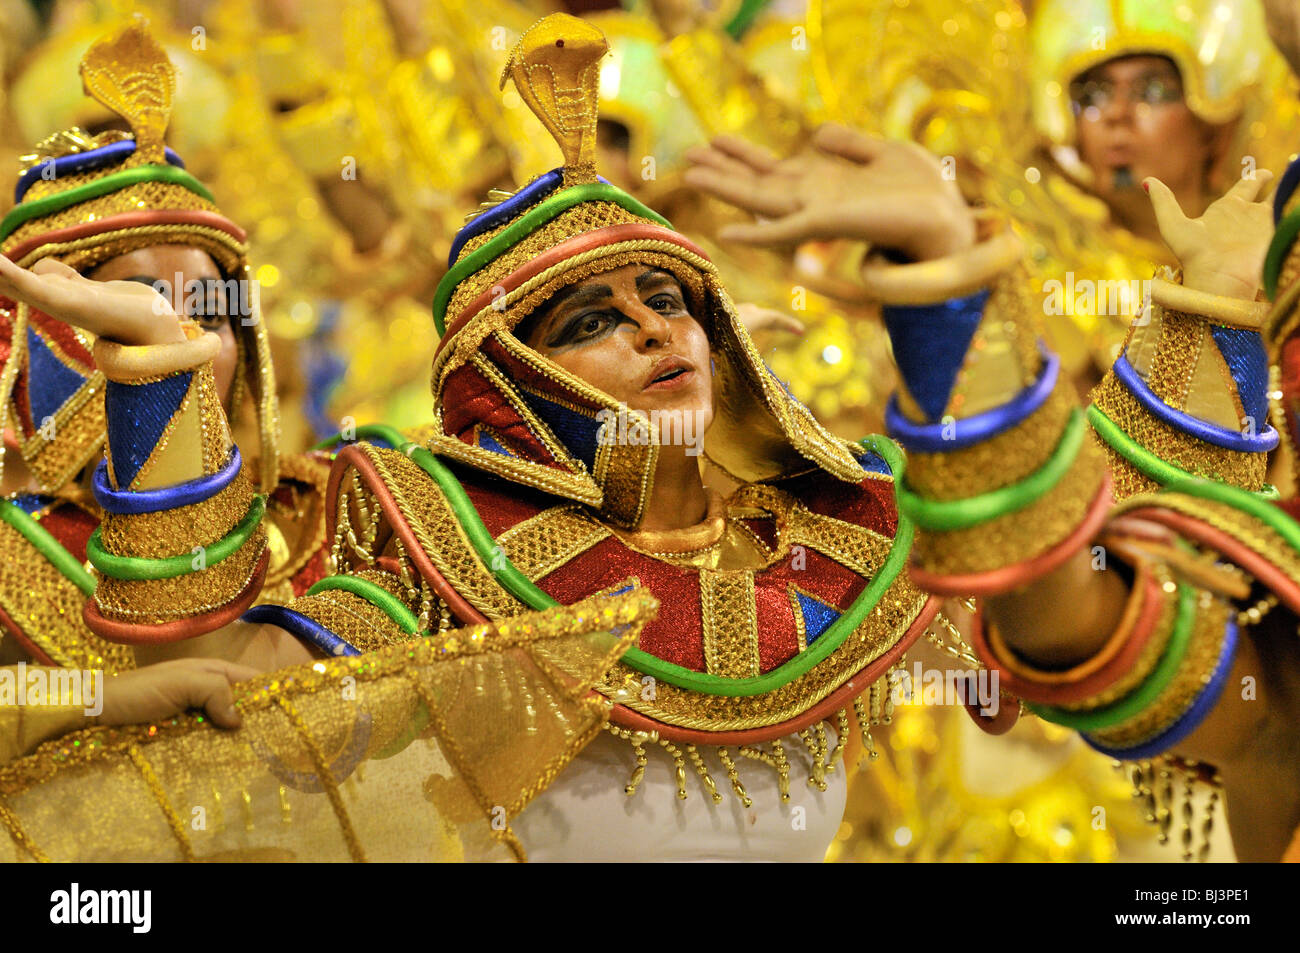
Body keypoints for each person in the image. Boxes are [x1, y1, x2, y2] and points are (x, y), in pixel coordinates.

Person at [0, 12, 1292, 863]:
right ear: (503, 377)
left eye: (668, 296)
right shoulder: (428, 551)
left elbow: (1095, 580)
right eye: (586, 317)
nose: (648, 329)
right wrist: (165, 379)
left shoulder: (834, 541)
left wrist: (1207, 309)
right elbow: (211, 715)